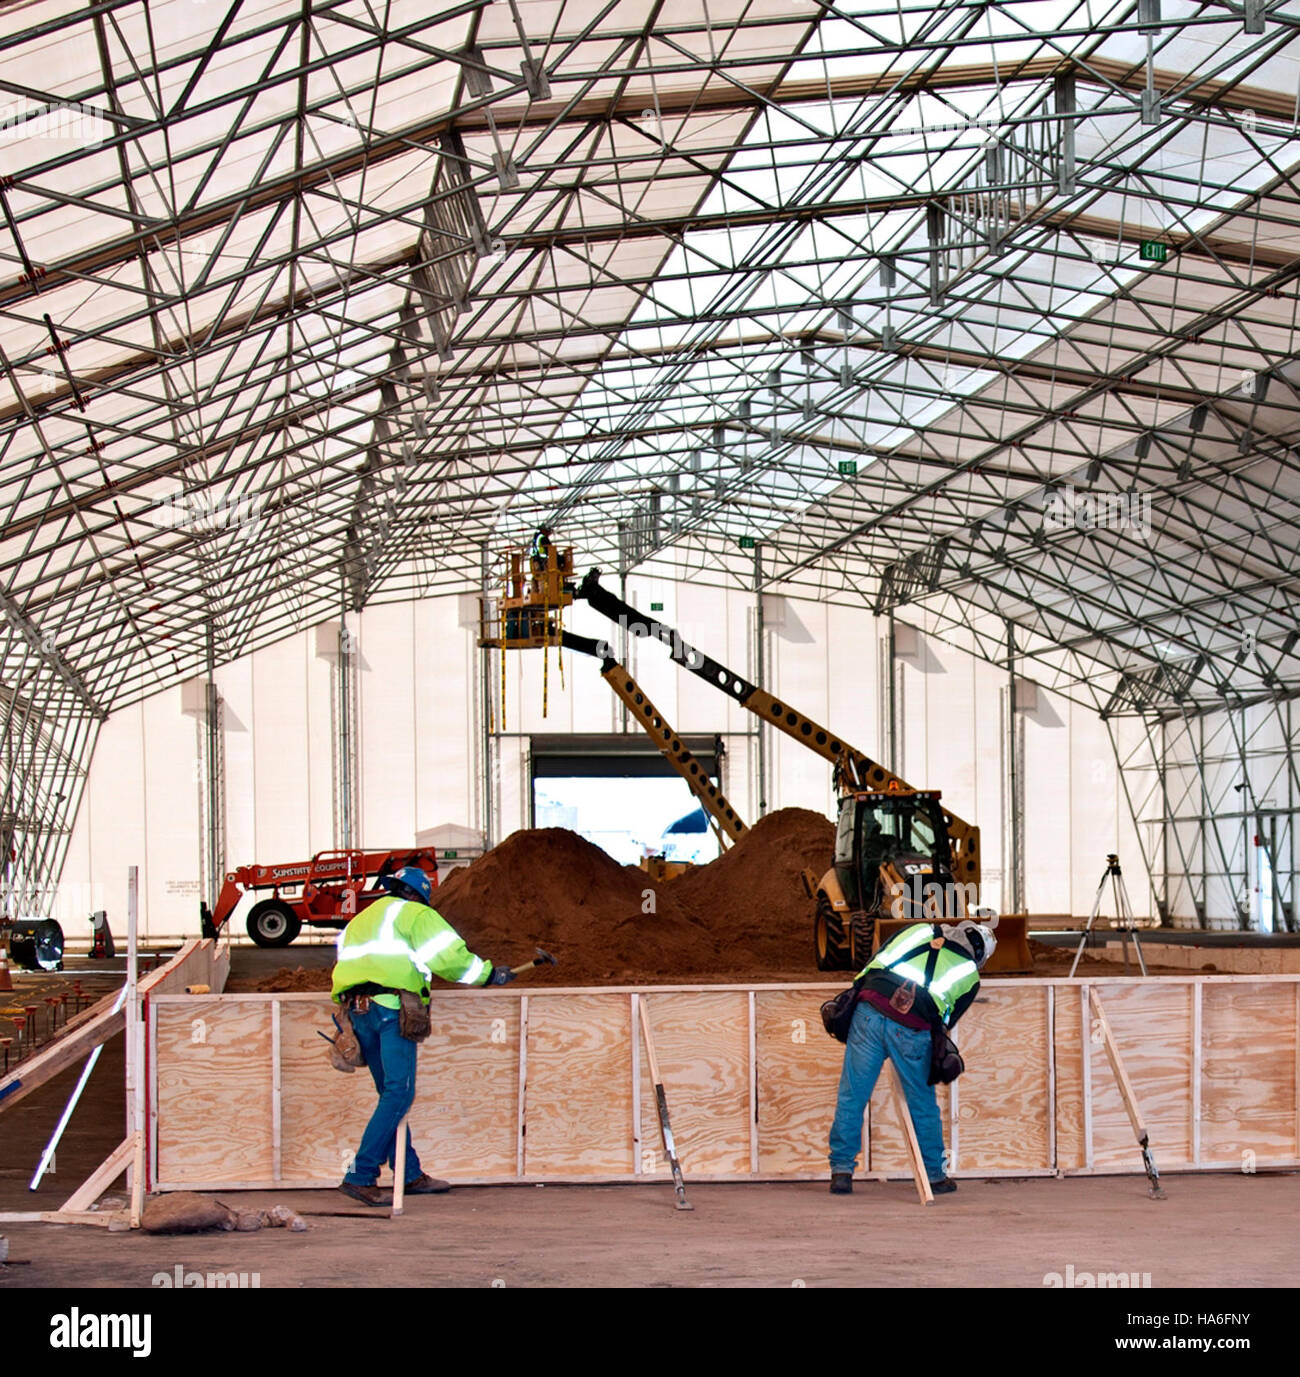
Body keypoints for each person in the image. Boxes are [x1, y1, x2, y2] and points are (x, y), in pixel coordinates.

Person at [331, 865, 514, 1206]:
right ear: (418, 894)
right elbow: (450, 959)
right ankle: (360, 1174)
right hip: (390, 1009)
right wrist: (489, 974)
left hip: (358, 1012)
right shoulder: (415, 914)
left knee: (390, 1093)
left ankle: (409, 1173)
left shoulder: (363, 918)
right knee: (399, 1093)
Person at [827, 918, 995, 1197]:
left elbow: (874, 960)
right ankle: (935, 1176)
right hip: (911, 1028)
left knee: (852, 1096)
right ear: (979, 956)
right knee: (922, 1105)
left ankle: (841, 1172)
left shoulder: (918, 930)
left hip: (867, 1011)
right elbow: (946, 1021)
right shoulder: (969, 974)